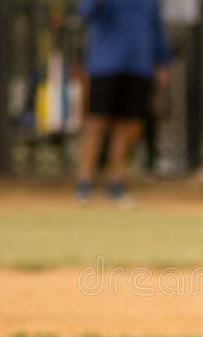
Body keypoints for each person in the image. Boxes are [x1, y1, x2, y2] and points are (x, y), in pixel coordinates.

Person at [76, 0, 171, 203]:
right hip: (105, 64)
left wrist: (162, 61)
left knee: (126, 126)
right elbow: (86, 12)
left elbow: (156, 28)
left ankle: (116, 183)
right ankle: (84, 183)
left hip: (138, 65)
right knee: (96, 123)